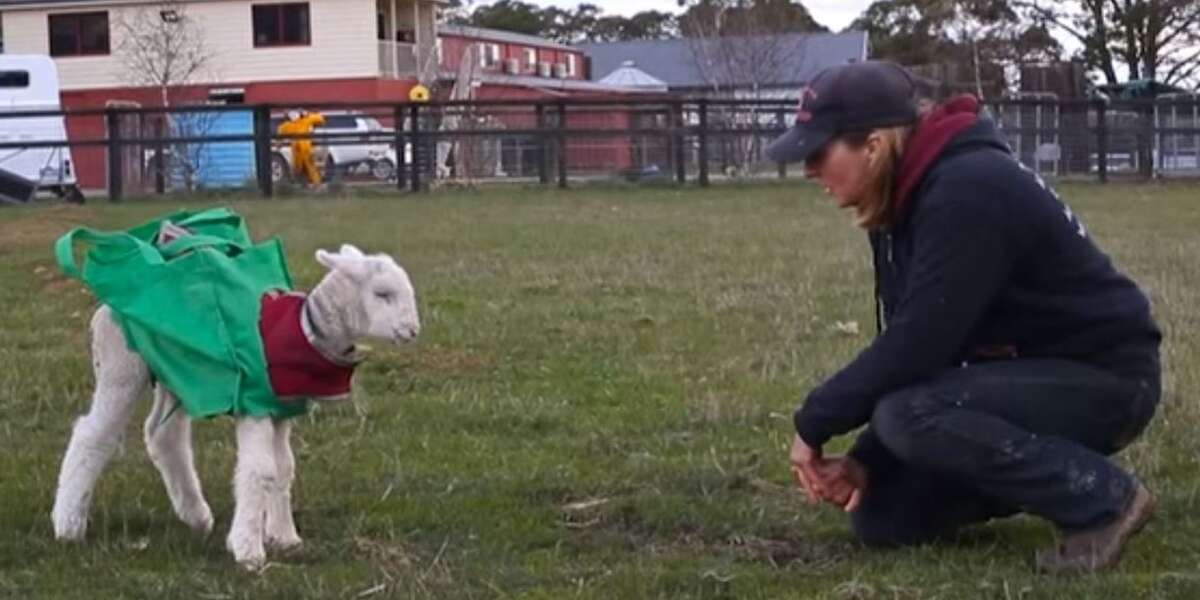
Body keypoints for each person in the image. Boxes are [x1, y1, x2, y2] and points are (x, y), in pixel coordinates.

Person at [765, 60, 1162, 574]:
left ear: (874, 144)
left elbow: (921, 342)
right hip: (1019, 378)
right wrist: (868, 461)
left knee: (909, 416)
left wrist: (813, 422)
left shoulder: (968, 188)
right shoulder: (902, 198)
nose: (809, 168)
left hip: (1106, 379)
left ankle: (1103, 500)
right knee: (883, 517)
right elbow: (928, 347)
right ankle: (1050, 480)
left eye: (819, 151)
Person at [278, 109, 327, 187]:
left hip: (298, 149)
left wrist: (279, 144)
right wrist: (308, 113)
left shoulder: (287, 125)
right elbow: (321, 119)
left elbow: (280, 135)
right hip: (305, 147)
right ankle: (316, 184)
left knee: (298, 168)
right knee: (309, 167)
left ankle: (301, 184)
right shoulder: (306, 120)